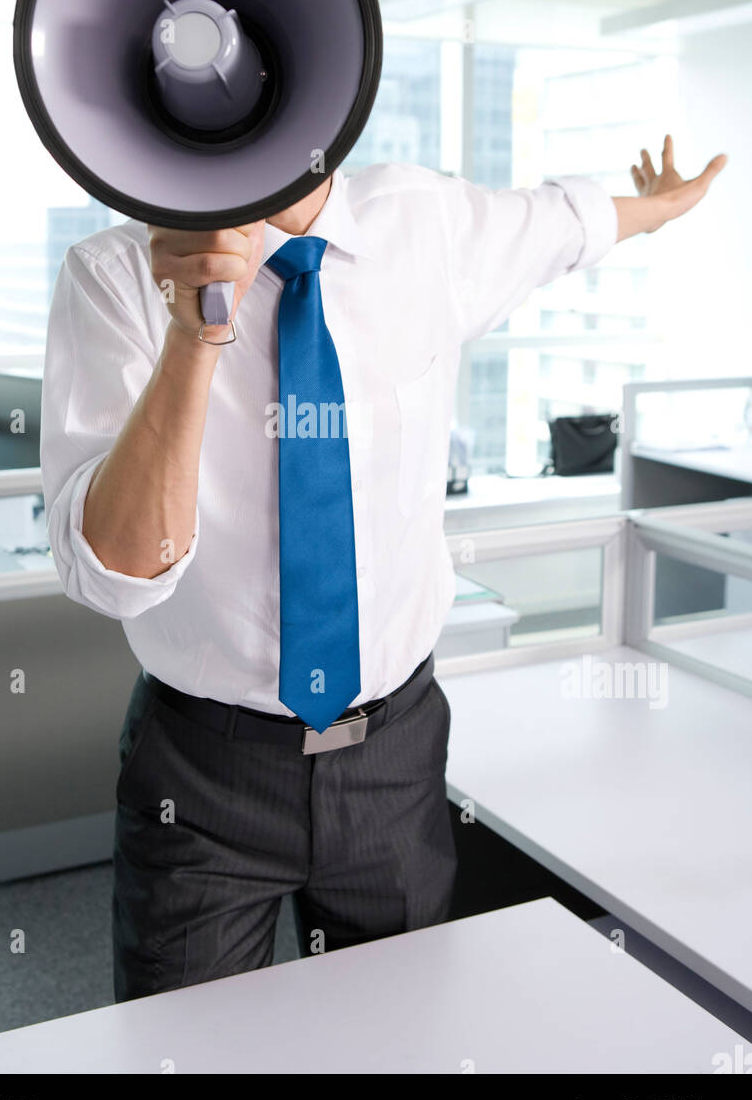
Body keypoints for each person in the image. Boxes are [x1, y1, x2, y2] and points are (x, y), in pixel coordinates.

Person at [41, 136, 726, 1001]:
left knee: (399, 1042)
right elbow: (114, 573)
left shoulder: (424, 221)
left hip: (392, 756)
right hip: (206, 774)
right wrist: (193, 332)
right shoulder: (111, 276)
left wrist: (657, 210)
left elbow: (558, 222)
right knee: (184, 1059)